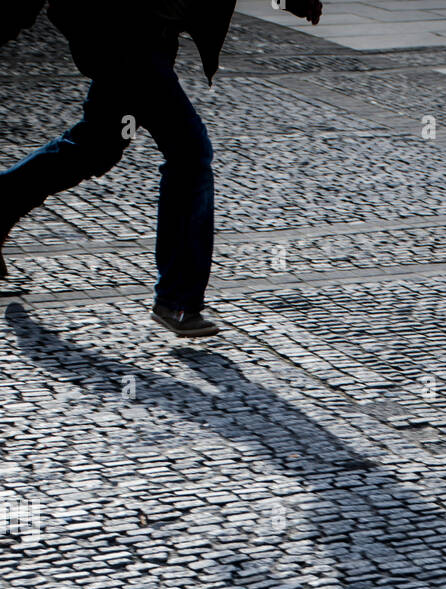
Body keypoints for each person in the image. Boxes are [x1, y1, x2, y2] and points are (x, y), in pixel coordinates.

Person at [0, 1, 323, 337]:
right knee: (190, 153)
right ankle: (177, 300)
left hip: (145, 41)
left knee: (97, 145)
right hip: (123, 40)